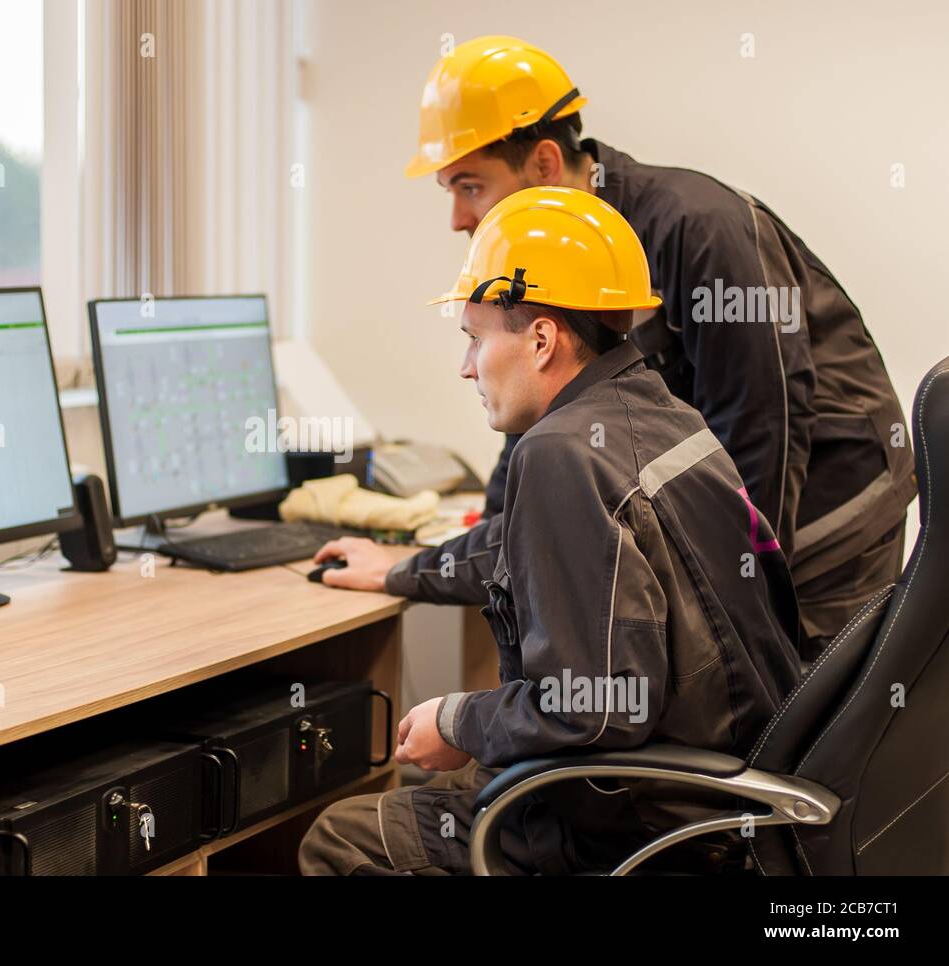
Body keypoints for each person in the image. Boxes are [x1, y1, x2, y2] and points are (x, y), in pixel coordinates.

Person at [316, 36, 914, 660]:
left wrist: (743, 596)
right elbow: (540, 410)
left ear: (545, 164)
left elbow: (763, 425)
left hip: (831, 488)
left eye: (469, 186)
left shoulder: (696, 228)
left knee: (792, 716)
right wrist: (471, 544)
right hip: (747, 487)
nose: (459, 219)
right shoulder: (557, 250)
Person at [299, 186, 801, 875]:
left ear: (540, 338)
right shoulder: (660, 418)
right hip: (723, 796)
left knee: (342, 836)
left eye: (475, 339)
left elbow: (595, 711)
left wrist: (458, 720)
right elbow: (524, 548)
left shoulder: (560, 452)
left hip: (642, 826)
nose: (466, 367)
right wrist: (399, 568)